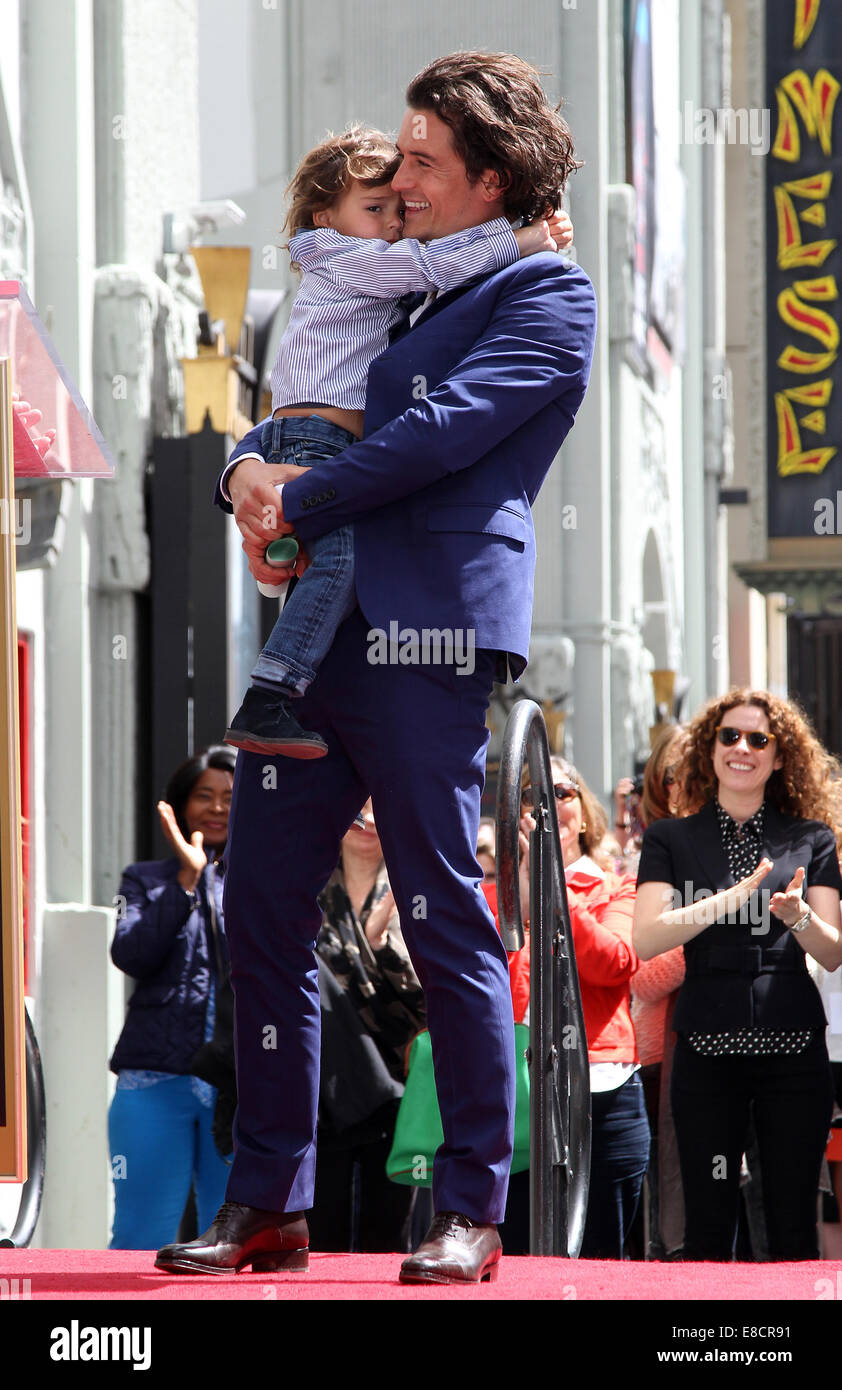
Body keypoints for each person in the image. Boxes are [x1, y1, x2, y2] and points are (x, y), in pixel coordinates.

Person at [155, 51, 596, 1285]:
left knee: (444, 909)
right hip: (311, 636)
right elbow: (301, 389)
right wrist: (240, 470)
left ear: (489, 180)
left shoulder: (546, 293)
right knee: (259, 909)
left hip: (426, 634)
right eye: (396, 156)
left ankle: (465, 1204)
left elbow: (437, 433)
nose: (395, 177)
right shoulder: (384, 271)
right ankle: (269, 1202)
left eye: (420, 161)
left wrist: (296, 494)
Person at [222, 124, 569, 759]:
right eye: (373, 209)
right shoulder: (337, 253)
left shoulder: (381, 278)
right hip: (316, 437)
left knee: (315, 558)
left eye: (394, 209)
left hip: (320, 442)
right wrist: (520, 239)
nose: (389, 222)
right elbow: (426, 263)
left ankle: (275, 635)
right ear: (324, 215)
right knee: (344, 556)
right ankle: (269, 692)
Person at [633, 689, 842, 1261]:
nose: (742, 748)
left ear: (780, 757)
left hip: (792, 1045)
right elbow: (646, 938)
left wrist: (798, 917)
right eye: (730, 736)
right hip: (706, 1047)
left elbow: (833, 952)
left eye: (759, 739)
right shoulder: (670, 838)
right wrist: (725, 902)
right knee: (707, 1225)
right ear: (710, 749)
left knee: (794, 1221)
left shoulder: (811, 838)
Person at [515, 758, 650, 1258]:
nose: (546, 802)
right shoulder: (491, 894)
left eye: (562, 791)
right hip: (515, 1099)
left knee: (599, 1265)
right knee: (513, 1269)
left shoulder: (619, 887)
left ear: (585, 813)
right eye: (530, 794)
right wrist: (523, 893)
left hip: (601, 1093)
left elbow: (615, 963)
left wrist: (552, 886)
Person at [108, 746, 236, 1249]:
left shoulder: (264, 881)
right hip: (153, 1080)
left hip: (238, 1086)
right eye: (204, 796)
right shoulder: (144, 879)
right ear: (182, 806)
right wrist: (188, 878)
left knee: (230, 1244)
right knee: (139, 1234)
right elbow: (131, 954)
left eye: (230, 796)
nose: (217, 807)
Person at [311, 798, 426, 1252]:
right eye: (358, 807)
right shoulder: (308, 883)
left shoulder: (417, 887)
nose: (369, 821)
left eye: (382, 806)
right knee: (320, 1234)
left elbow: (436, 995)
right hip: (325, 1084)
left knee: (390, 1234)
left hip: (399, 1083)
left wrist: (383, 943)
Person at [627, 723, 688, 1259]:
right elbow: (642, 972)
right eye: (673, 774)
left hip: (744, 1042)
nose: (685, 784)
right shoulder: (646, 859)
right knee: (672, 1218)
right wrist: (720, 929)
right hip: (657, 1061)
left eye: (697, 773)